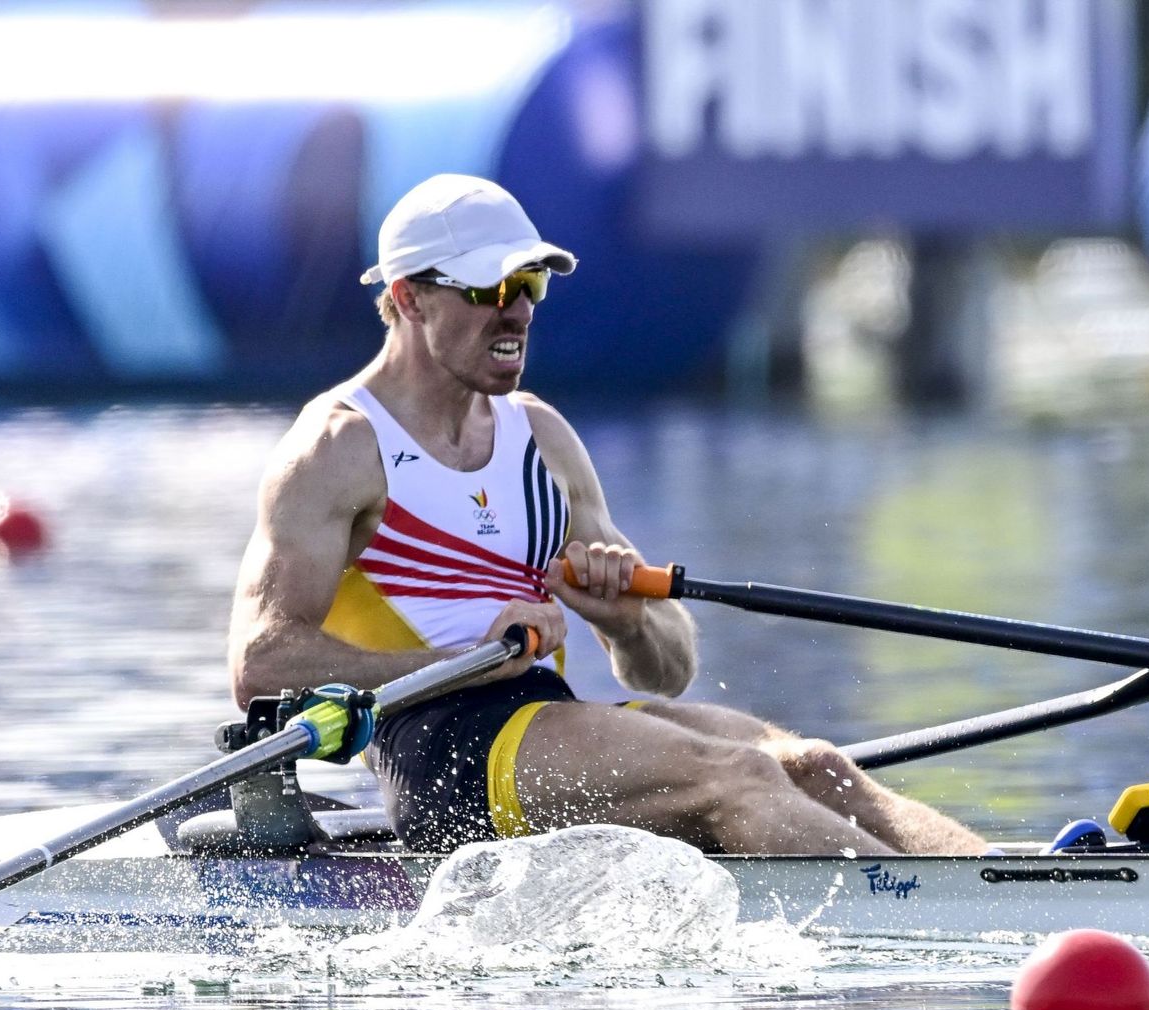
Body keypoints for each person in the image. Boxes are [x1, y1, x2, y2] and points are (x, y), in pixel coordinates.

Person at [227, 173, 991, 857]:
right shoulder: (337, 448)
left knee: (814, 764)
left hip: (547, 723)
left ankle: (1004, 888)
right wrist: (457, 661)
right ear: (407, 296)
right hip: (447, 753)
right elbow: (260, 664)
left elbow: (668, 668)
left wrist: (625, 620)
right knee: (737, 776)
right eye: (492, 289)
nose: (519, 311)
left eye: (531, 284)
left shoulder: (541, 438)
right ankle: (940, 918)